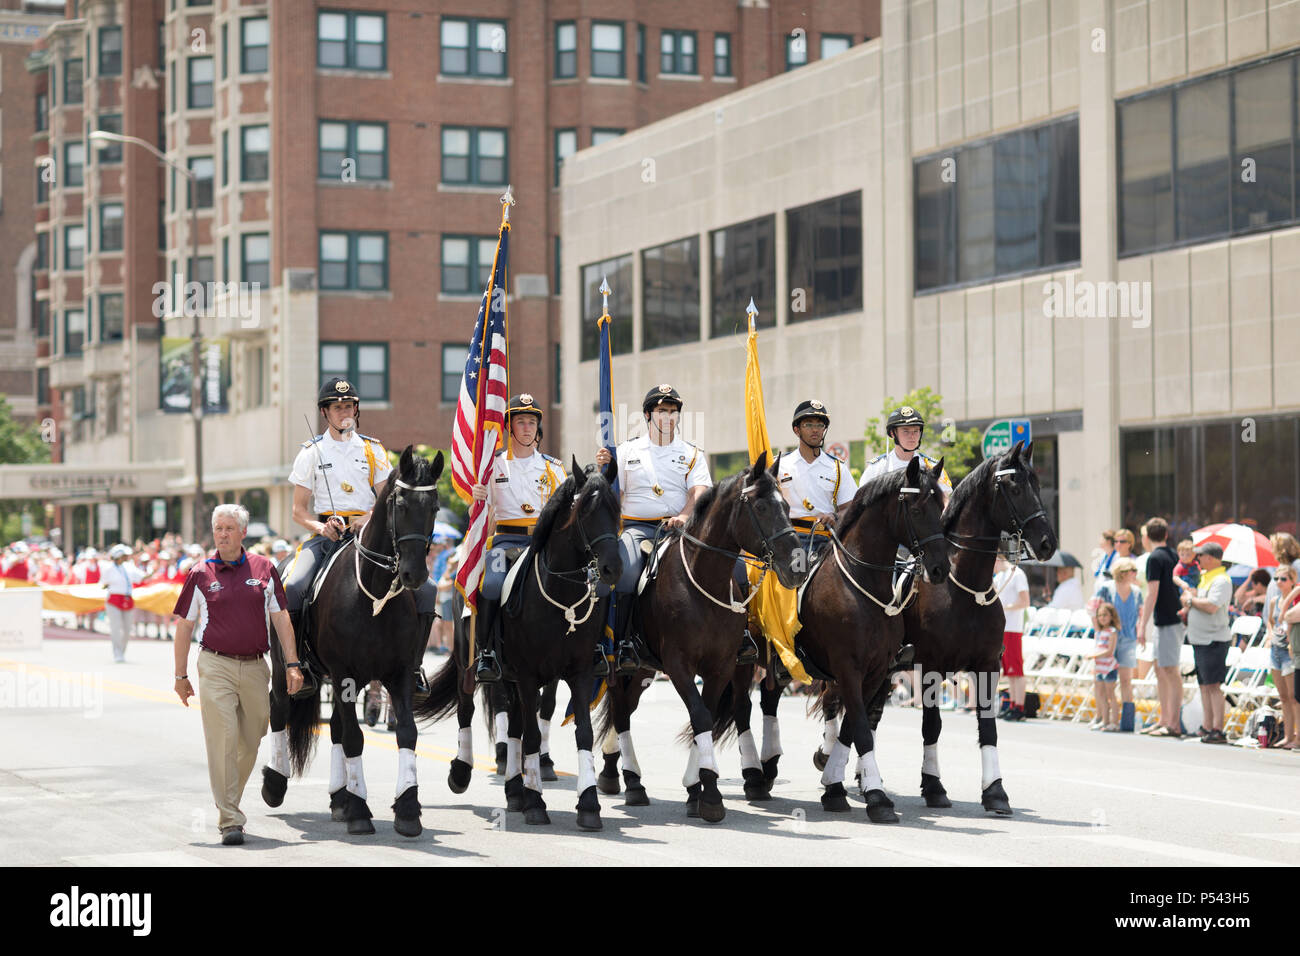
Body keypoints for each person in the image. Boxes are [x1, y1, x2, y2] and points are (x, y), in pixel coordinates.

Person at [285, 376, 437, 692]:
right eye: (337, 407)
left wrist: (366, 519)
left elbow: (387, 500)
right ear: (324, 412)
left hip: (370, 536)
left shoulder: (373, 450)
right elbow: (298, 510)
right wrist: (320, 527)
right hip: (327, 535)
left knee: (426, 590)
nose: (345, 413)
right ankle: (303, 664)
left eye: (349, 406)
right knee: (296, 585)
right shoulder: (311, 452)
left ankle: (414, 667)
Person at [172, 504, 304, 845]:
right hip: (215, 665)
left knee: (252, 734)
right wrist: (180, 675)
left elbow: (281, 619)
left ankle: (229, 795)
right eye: (218, 528)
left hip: (257, 666)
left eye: (230, 528)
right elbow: (184, 626)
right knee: (224, 739)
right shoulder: (200, 573)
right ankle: (230, 817)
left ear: (243, 532)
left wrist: (292, 664)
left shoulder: (264, 568)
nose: (223, 534)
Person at [594, 383, 712, 674]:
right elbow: (611, 495)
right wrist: (603, 470)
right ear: (648, 415)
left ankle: (739, 638)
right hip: (638, 530)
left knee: (730, 571)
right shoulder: (625, 451)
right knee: (623, 575)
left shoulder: (692, 453)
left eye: (673, 412)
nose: (667, 417)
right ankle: (619, 644)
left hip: (680, 532)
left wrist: (684, 516)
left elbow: (699, 491)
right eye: (661, 411)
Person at [471, 393, 567, 683]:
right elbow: (481, 515)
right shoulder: (493, 465)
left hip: (542, 544)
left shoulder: (554, 467)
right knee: (492, 584)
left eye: (532, 422)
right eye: (520, 422)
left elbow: (565, 512)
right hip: (506, 541)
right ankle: (485, 652)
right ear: (509, 427)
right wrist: (476, 498)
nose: (527, 427)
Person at [776, 400, 858, 556]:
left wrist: (835, 516)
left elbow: (851, 508)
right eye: (808, 425)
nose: (815, 430)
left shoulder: (838, 468)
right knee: (798, 575)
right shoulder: (779, 465)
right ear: (796, 430)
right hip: (790, 540)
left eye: (820, 425)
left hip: (824, 540)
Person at [1136, 517, 1185, 737]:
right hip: (1166, 619)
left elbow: (1151, 593)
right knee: (1159, 668)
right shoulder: (1173, 554)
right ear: (1165, 534)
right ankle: (1165, 718)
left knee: (1170, 670)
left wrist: (1141, 625)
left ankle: (1173, 723)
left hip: (1168, 619)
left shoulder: (1154, 558)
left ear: (1146, 537)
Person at [1180, 542, 1232, 744]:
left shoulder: (1221, 579)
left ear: (1210, 557)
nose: (1197, 559)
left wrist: (1191, 601)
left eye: (1200, 555)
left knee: (1213, 685)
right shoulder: (1204, 578)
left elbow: (1211, 606)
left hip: (1214, 639)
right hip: (1200, 639)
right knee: (1204, 684)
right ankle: (1207, 725)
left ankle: (1218, 728)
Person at [1090, 557, 1143, 731]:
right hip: (1108, 638)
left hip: (1128, 639)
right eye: (1131, 571)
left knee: (1126, 680)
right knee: (1102, 681)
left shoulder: (1136, 591)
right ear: (1123, 572)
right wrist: (1099, 631)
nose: (1134, 574)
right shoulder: (1107, 588)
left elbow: (1140, 614)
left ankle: (1126, 722)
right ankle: (1101, 717)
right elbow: (1094, 609)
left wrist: (1141, 633)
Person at [861, 405, 953, 499]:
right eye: (906, 431)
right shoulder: (877, 468)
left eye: (916, 431)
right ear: (893, 433)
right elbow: (862, 502)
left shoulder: (932, 466)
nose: (912, 436)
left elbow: (945, 501)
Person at [1264, 566, 1299, 749]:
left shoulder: (1294, 601)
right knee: (1283, 696)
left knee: (1294, 697)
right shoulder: (1275, 600)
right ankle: (1287, 735)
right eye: (1276, 578)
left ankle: (1296, 735)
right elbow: (1271, 620)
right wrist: (1270, 635)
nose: (1279, 582)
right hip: (1276, 649)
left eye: (1283, 579)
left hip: (1289, 650)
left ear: (1293, 581)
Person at [993, 555, 1031, 721]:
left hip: (1013, 627)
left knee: (1016, 668)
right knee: (1009, 670)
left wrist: (1005, 608)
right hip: (1003, 627)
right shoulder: (1000, 576)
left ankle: (1020, 706)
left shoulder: (1017, 574)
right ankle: (1013, 704)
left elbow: (1025, 601)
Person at [99, 544, 145, 663]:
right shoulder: (108, 568)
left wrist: (154, 570)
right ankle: (117, 653)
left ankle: (122, 651)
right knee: (116, 627)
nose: (126, 557)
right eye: (124, 555)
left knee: (127, 628)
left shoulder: (129, 567)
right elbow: (103, 583)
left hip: (127, 599)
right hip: (114, 599)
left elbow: (141, 577)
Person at [1086, 601, 1120, 731]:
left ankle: (1114, 722)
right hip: (1099, 667)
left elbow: (1110, 651)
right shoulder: (1098, 632)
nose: (1102, 618)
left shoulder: (1112, 632)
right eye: (1100, 615)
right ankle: (1104, 721)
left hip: (1109, 667)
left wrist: (1094, 656)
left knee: (1110, 694)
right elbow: (1097, 648)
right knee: (1101, 695)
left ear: (1111, 616)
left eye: (1105, 615)